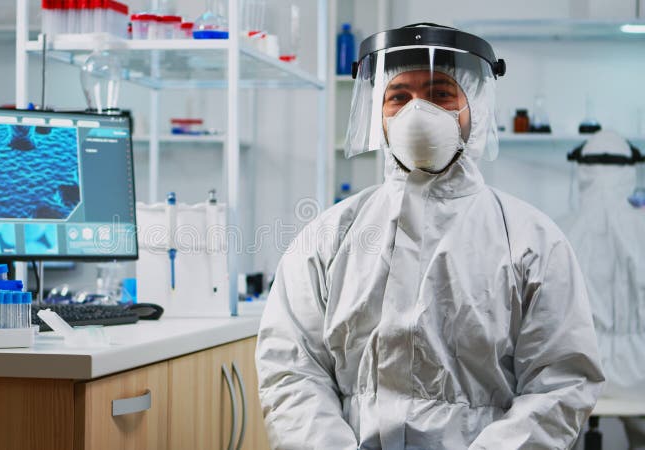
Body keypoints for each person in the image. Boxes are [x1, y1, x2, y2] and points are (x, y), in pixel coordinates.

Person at [256, 23, 604, 449]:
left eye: (441, 94)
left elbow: (561, 382)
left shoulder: (532, 243)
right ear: (377, 112)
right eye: (398, 96)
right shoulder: (327, 239)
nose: (416, 113)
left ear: (474, 106)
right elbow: (292, 371)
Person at [559, 130, 645, 449]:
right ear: (629, 171)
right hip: (640, 375)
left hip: (578, 374)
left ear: (582, 170)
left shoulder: (559, 230)